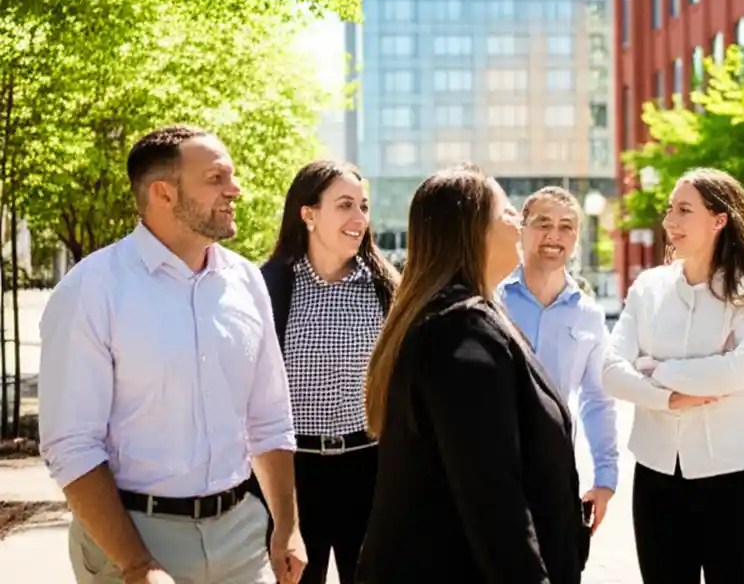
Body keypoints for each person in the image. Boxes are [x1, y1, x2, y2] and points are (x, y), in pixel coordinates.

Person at [38, 125, 305, 584]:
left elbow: (269, 419)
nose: (234, 189)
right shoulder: (91, 289)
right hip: (132, 540)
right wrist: (137, 563)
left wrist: (287, 526)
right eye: (216, 178)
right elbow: (72, 445)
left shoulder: (246, 281)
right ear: (163, 193)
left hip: (241, 537)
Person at [357, 166, 587, 583]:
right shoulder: (458, 332)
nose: (518, 220)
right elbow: (492, 499)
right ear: (472, 228)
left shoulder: (463, 316)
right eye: (506, 211)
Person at [602, 167, 744, 584]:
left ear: (719, 220)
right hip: (657, 481)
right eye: (670, 209)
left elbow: (740, 368)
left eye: (684, 210)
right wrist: (667, 398)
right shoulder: (648, 287)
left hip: (734, 482)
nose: (670, 221)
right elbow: (611, 371)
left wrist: (657, 369)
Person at [258, 161, 399, 584]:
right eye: (344, 206)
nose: (359, 219)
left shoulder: (386, 288)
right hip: (293, 477)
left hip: (369, 471)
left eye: (364, 206)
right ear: (309, 213)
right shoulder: (268, 287)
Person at [497, 186, 619, 532]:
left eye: (566, 226)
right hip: (493, 469)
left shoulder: (589, 315)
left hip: (556, 471)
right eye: (543, 223)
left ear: (576, 238)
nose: (554, 235)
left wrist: (605, 477)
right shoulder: (493, 300)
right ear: (521, 228)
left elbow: (597, 399)